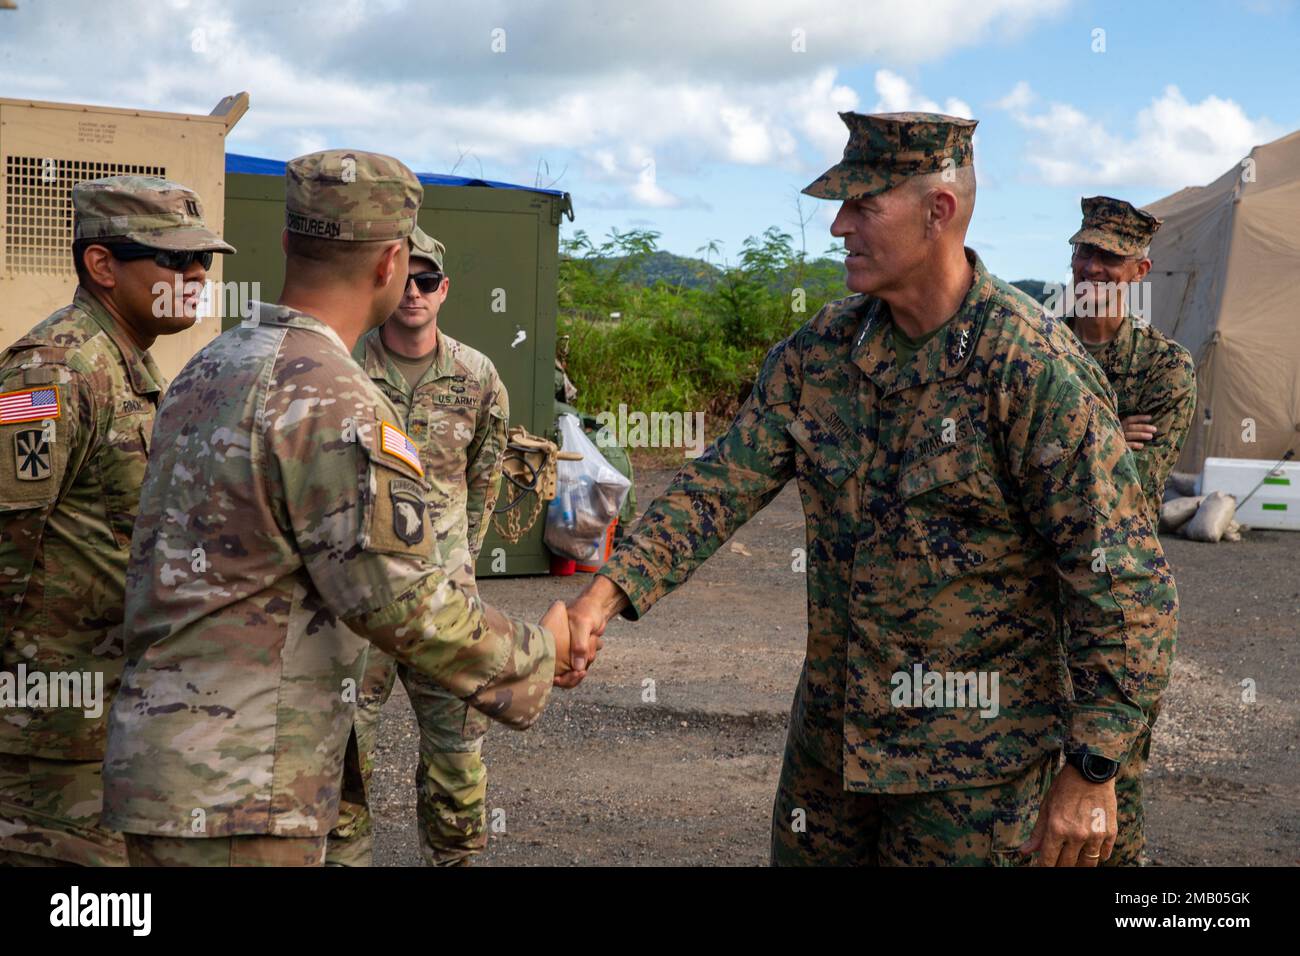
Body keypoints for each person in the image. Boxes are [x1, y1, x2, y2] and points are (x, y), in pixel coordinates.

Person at [566, 112, 1176, 866]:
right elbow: (715, 487)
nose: (838, 227)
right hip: (831, 759)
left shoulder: (1030, 368)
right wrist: (603, 598)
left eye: (862, 205)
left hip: (971, 779)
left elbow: (1121, 579)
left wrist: (1093, 769)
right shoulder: (822, 350)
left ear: (938, 212)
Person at [101, 150, 571, 867]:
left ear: (288, 242)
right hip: (246, 789)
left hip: (168, 772)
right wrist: (544, 652)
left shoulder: (211, 364)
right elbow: (406, 605)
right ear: (389, 263)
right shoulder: (335, 399)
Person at [0, 176, 233, 866]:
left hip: (105, 720)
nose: (193, 276)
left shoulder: (126, 365)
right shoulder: (53, 372)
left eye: (204, 263)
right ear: (102, 265)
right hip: (44, 739)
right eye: (172, 260)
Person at [327, 226, 509, 866]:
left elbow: (485, 474)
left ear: (444, 290)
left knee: (458, 760)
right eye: (405, 279)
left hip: (446, 599)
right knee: (345, 761)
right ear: (386, 281)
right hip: (364, 603)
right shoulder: (345, 369)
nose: (415, 293)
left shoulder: (477, 377)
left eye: (427, 281)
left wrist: (459, 557)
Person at [1065, 195, 1196, 865]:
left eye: (1110, 259)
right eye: (1084, 252)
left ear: (1139, 272)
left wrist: (1069, 439)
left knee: (1110, 777)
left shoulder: (1166, 371)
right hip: (1027, 605)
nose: (1093, 269)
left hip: (1116, 604)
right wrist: (1110, 428)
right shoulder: (1035, 349)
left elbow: (1129, 500)